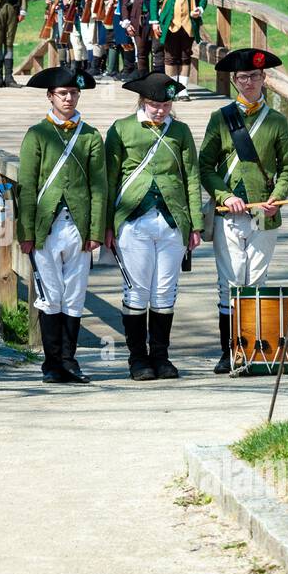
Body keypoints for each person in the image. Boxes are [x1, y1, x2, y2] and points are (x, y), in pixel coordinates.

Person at [199, 48, 288, 374]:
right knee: (229, 282)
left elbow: (287, 168)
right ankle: (229, 352)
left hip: (263, 214)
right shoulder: (220, 118)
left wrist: (277, 198)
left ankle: (254, 350)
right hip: (229, 215)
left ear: (264, 79)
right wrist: (224, 196)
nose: (249, 82)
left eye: (255, 76)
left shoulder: (277, 121)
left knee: (256, 280)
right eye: (243, 77)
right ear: (235, 81)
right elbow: (205, 166)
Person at [105, 72, 204, 381]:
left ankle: (161, 356)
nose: (160, 111)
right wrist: (106, 225)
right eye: (153, 105)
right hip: (133, 220)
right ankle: (137, 358)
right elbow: (109, 180)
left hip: (173, 221)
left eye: (165, 105)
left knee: (164, 291)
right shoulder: (121, 129)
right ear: (142, 102)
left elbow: (191, 177)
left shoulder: (181, 131)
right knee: (136, 290)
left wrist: (196, 224)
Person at [18, 64, 106, 384]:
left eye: (73, 93)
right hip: (46, 227)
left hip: (79, 226)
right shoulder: (37, 134)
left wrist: (96, 231)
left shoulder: (91, 135)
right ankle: (52, 362)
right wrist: (26, 231)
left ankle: (70, 360)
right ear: (50, 97)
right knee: (49, 293)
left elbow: (100, 186)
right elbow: (26, 186)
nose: (68, 98)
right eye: (62, 94)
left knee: (74, 294)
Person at [149, 0, 207, 96]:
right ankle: (171, 89)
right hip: (170, 23)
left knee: (185, 56)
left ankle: (183, 90)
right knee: (170, 57)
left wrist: (199, 9)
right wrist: (155, 22)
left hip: (188, 23)